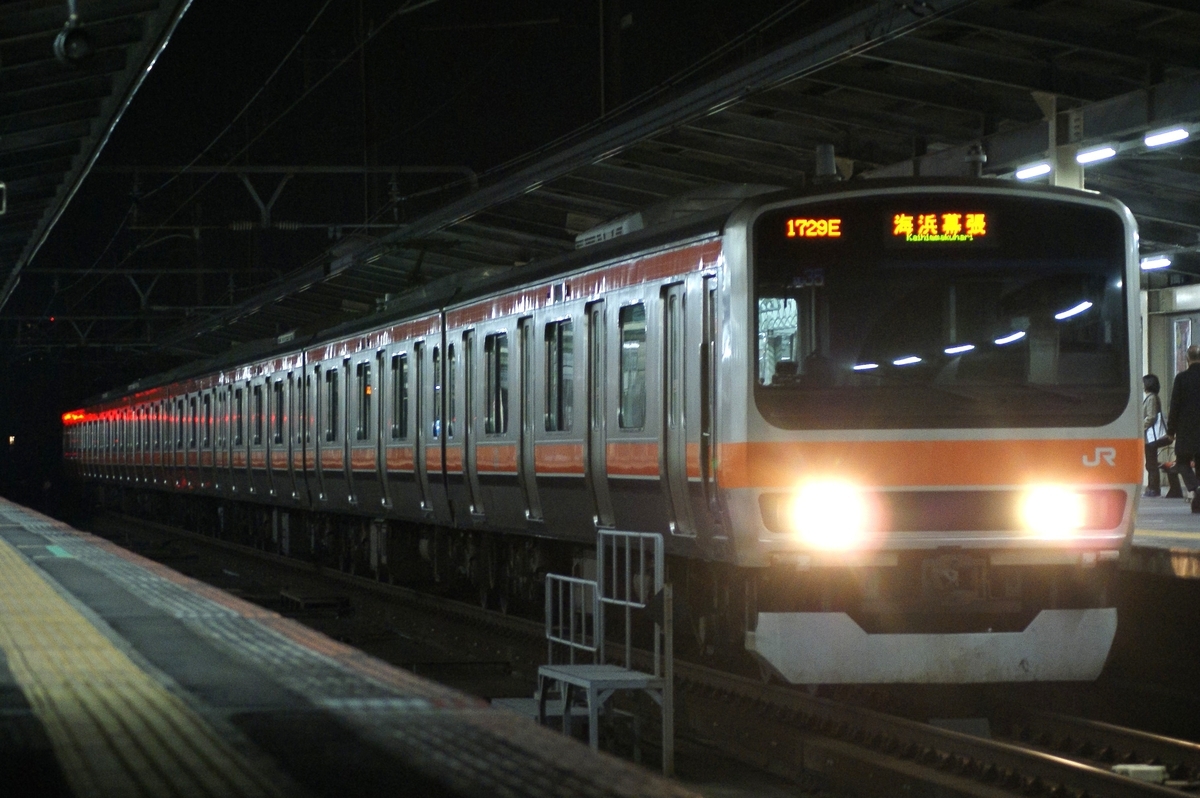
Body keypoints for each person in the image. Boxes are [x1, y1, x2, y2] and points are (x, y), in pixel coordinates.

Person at [1167, 345, 1200, 512]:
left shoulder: (1181, 378)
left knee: (1181, 463)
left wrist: (1170, 431)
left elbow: (1175, 406)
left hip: (1186, 430)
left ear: (1187, 359)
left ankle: (1195, 487)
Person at [1143, 374, 1182, 497]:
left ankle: (1153, 488)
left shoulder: (1151, 398)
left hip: (1151, 437)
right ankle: (1153, 487)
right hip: (1150, 436)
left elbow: (1151, 417)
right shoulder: (1152, 397)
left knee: (1151, 462)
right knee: (1150, 462)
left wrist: (1140, 427)